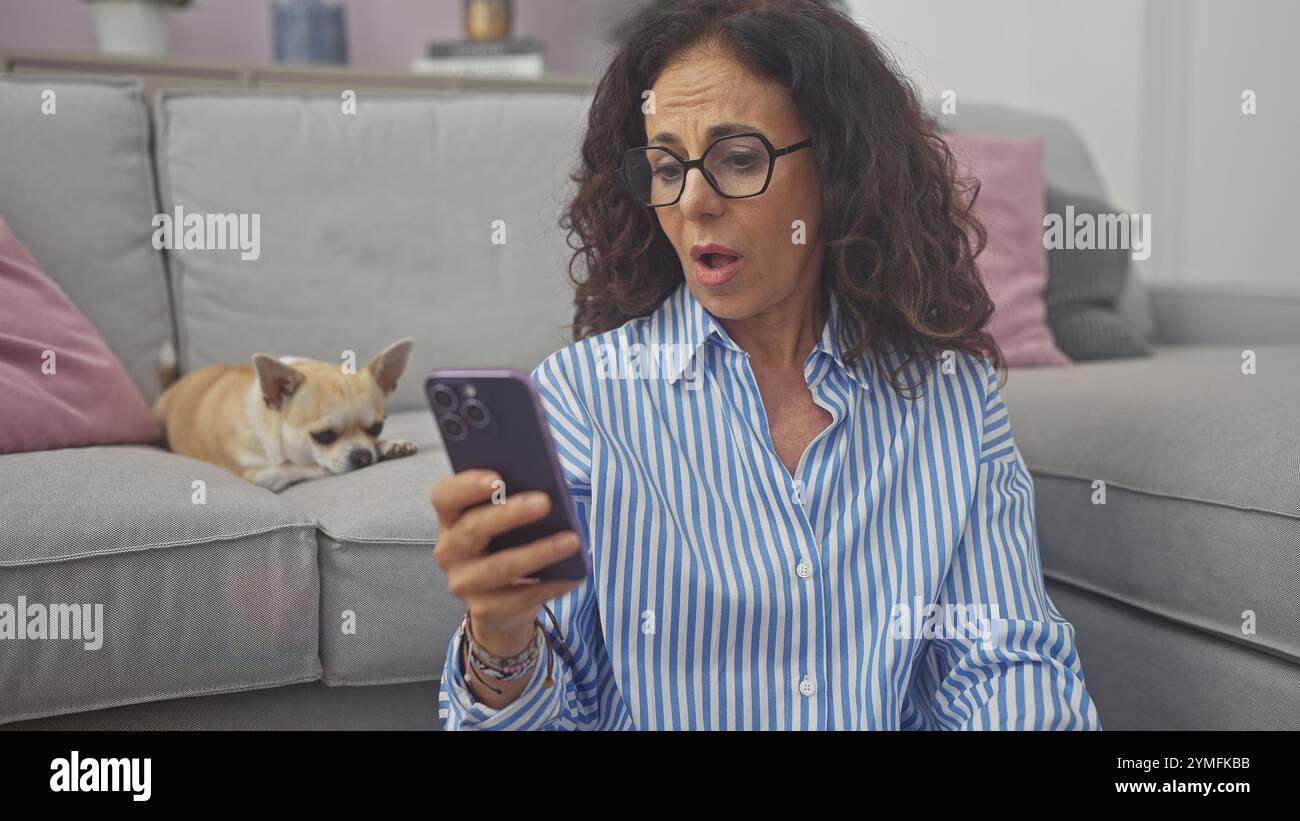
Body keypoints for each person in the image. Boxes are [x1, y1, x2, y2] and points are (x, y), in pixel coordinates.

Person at [432, 0, 1101, 730]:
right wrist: (499, 639)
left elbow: (1005, 665)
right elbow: (557, 711)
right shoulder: (583, 398)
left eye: (738, 158)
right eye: (665, 166)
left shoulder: (953, 399)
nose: (693, 201)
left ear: (840, 166)